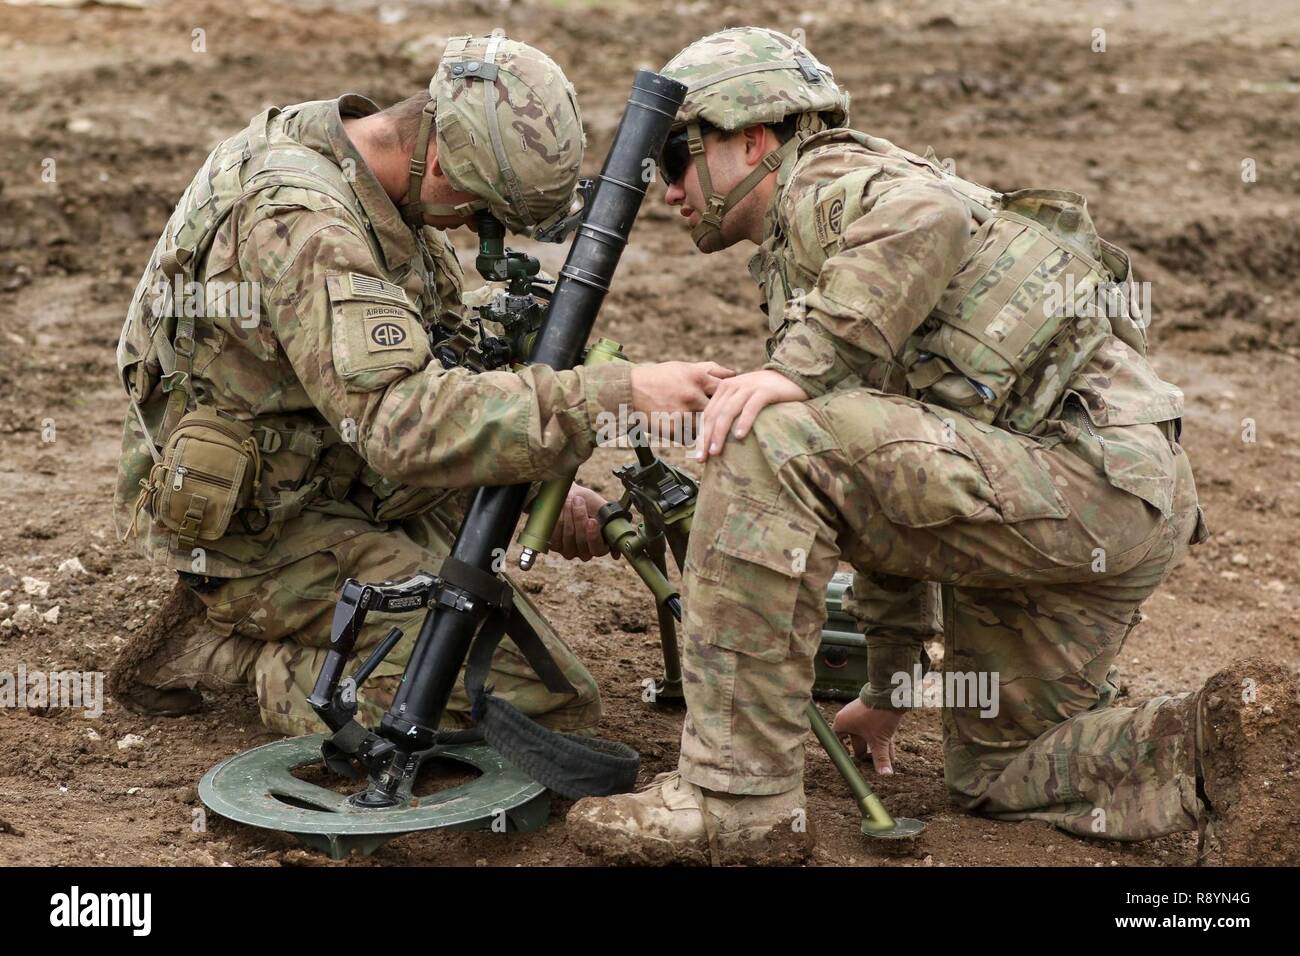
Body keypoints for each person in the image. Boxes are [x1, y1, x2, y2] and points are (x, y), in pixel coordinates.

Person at [567, 27, 1298, 866]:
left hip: (1073, 480)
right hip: (1109, 500)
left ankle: (734, 800)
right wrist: (889, 685)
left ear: (751, 139)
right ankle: (1232, 741)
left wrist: (793, 371)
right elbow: (880, 480)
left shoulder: (825, 183)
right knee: (1001, 770)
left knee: (763, 435)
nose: (668, 192)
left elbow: (931, 216)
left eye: (675, 158)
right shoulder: (819, 246)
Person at [110, 31, 731, 738]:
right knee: (544, 705)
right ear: (440, 159)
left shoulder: (371, 174)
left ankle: (281, 616)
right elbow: (398, 422)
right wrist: (612, 395)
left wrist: (532, 486)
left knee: (508, 646)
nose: (477, 234)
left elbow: (434, 373)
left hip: (334, 471)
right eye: (481, 213)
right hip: (266, 525)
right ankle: (254, 661)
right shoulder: (304, 219)